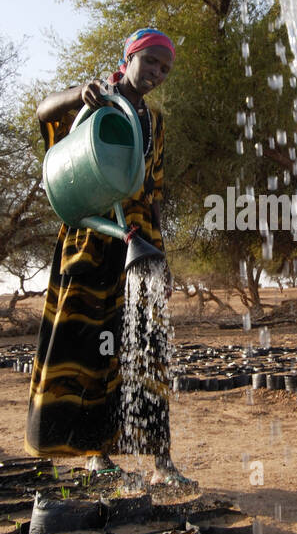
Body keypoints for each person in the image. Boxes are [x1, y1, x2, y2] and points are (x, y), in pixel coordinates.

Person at [26, 28, 194, 487]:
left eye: (165, 68)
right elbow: (43, 112)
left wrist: (161, 253)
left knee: (150, 348)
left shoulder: (155, 122)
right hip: (92, 239)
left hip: (137, 242)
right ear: (130, 56)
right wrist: (75, 95)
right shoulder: (94, 102)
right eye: (151, 62)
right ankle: (94, 453)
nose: (158, 73)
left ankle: (161, 461)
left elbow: (154, 190)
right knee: (91, 347)